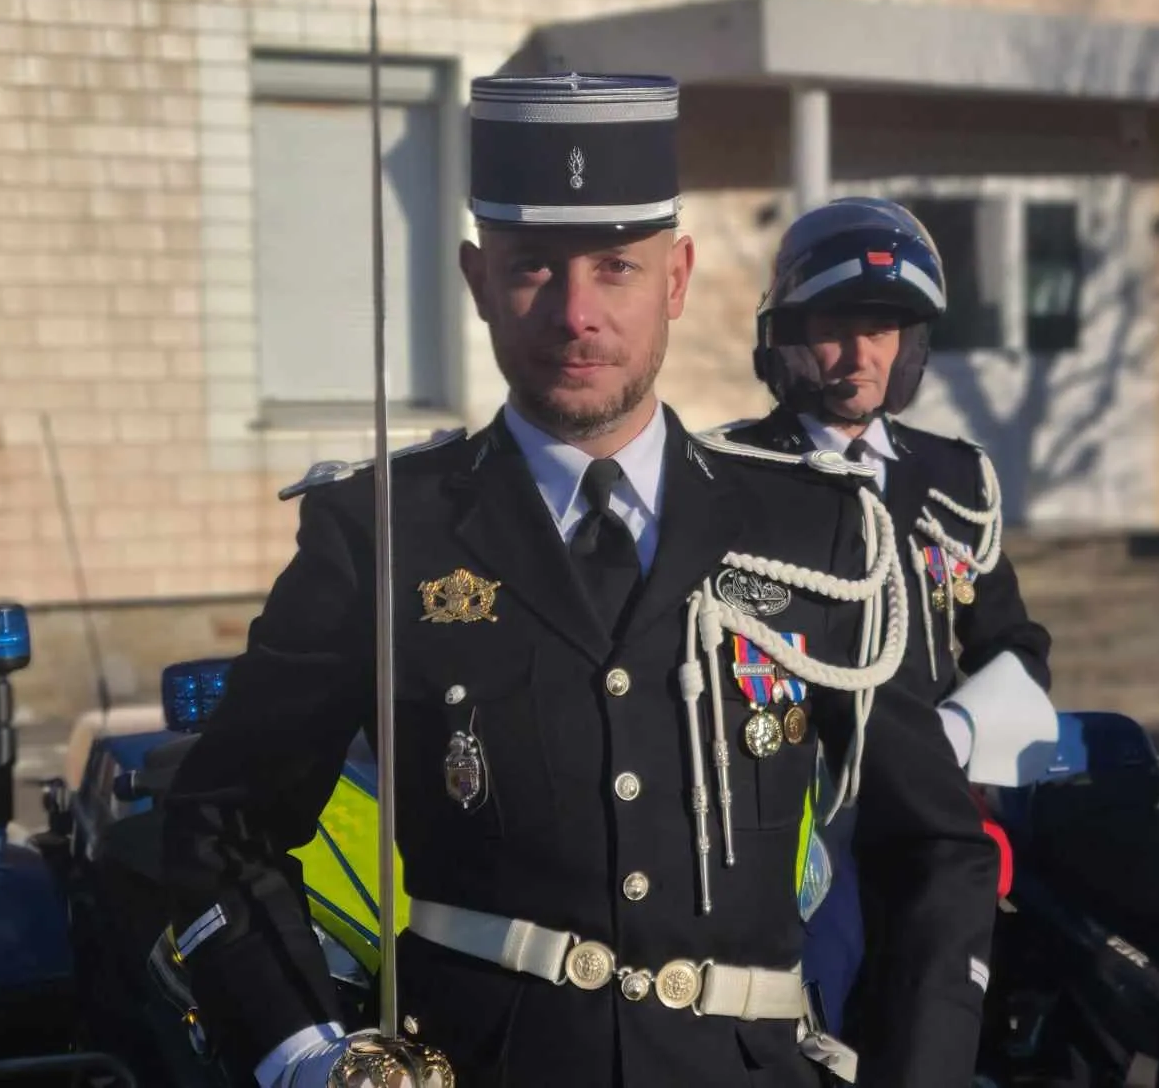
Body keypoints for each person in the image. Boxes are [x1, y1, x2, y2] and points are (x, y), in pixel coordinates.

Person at [160, 75, 999, 1088]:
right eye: (531, 269)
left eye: (616, 267)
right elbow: (218, 825)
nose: (576, 313)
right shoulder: (385, 535)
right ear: (475, 279)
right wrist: (301, 1054)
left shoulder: (817, 528)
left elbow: (935, 848)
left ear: (678, 277)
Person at [717, 197, 1054, 1042]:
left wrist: (959, 739)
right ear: (788, 336)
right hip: (773, 797)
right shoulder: (722, 475)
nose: (861, 353)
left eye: (886, 327)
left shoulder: (955, 481)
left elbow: (1011, 644)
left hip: (926, 809)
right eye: (837, 325)